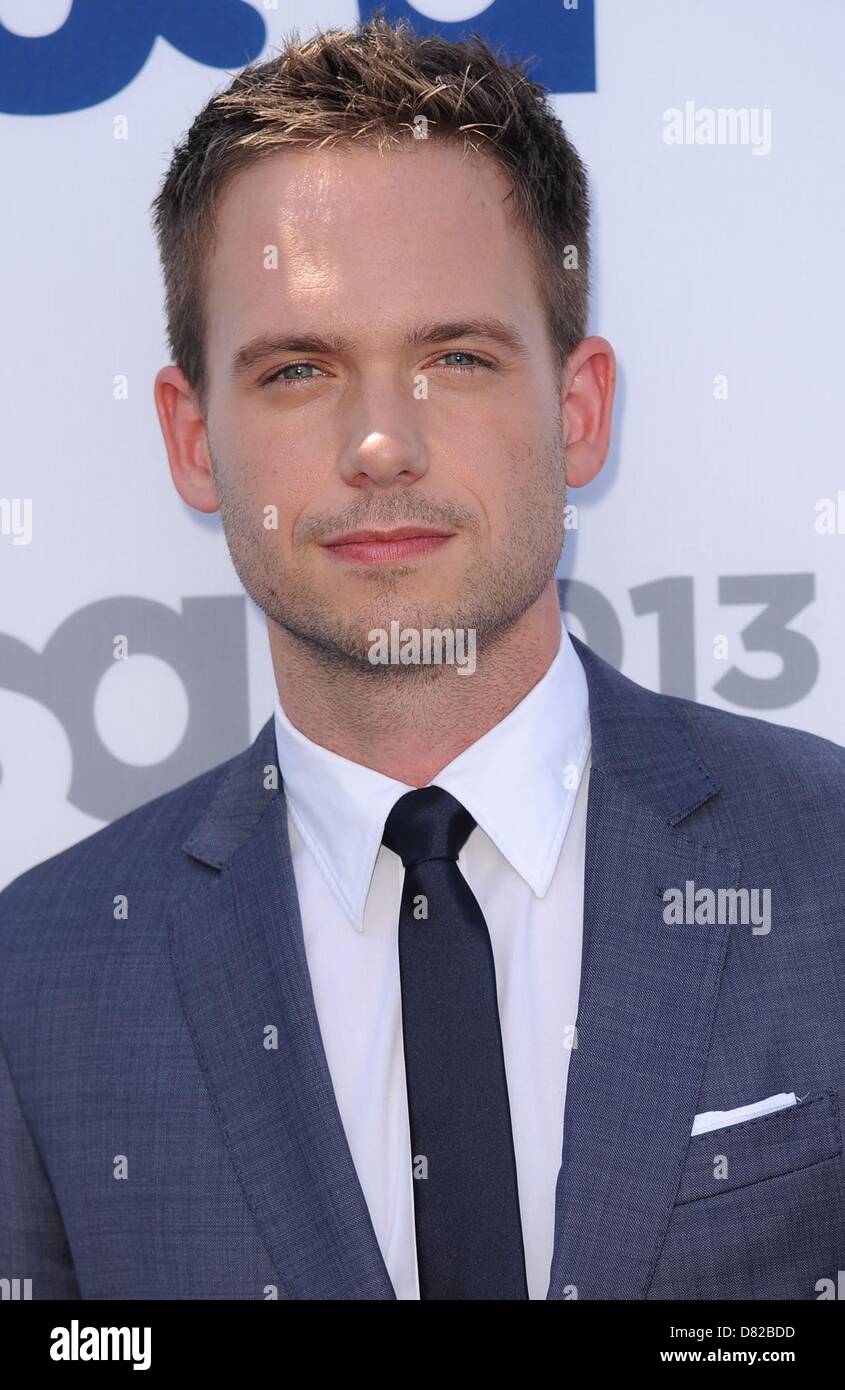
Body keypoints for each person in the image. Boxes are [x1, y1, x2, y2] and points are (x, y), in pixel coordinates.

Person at [1, 15, 843, 1302]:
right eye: (296, 369)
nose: (381, 444)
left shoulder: (823, 865)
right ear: (191, 439)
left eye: (454, 358)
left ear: (577, 410)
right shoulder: (40, 981)